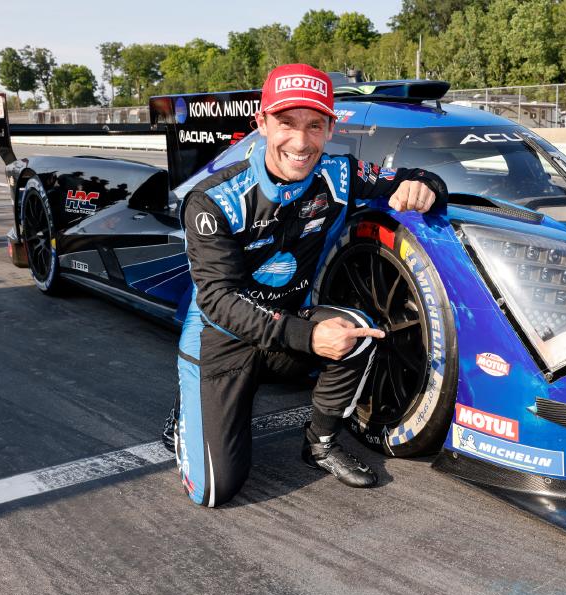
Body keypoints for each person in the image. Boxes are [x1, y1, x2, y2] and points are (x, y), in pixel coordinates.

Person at [171, 64, 447, 507]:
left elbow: (418, 178)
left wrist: (424, 187)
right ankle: (187, 413)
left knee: (357, 331)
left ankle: (320, 443)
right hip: (221, 335)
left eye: (314, 125)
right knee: (214, 492)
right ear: (261, 124)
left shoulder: (338, 175)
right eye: (286, 123)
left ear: (330, 128)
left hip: (286, 324)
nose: (300, 142)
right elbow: (219, 301)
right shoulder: (212, 200)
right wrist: (310, 336)